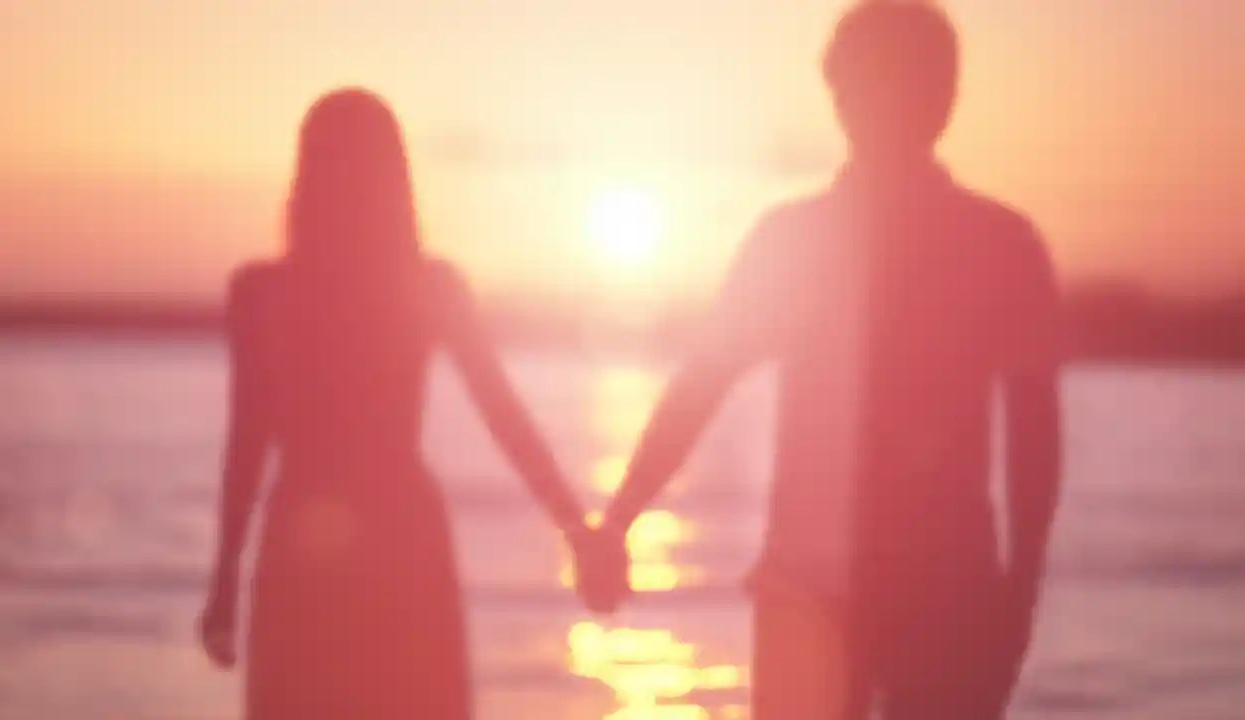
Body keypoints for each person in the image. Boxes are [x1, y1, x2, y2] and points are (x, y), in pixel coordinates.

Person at [578, 2, 1063, 718]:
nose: (892, 102)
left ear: (946, 97)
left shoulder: (1000, 246)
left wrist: (1017, 601)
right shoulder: (791, 243)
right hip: (812, 600)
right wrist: (618, 522)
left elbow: (1034, 444)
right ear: (838, 93)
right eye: (873, 82)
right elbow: (700, 387)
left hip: (947, 599)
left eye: (912, 81)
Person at [197, 88, 590, 719]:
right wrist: (576, 528)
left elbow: (246, 445)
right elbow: (506, 419)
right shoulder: (429, 286)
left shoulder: (262, 293)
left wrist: (223, 586)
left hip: (304, 533)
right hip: (399, 530)